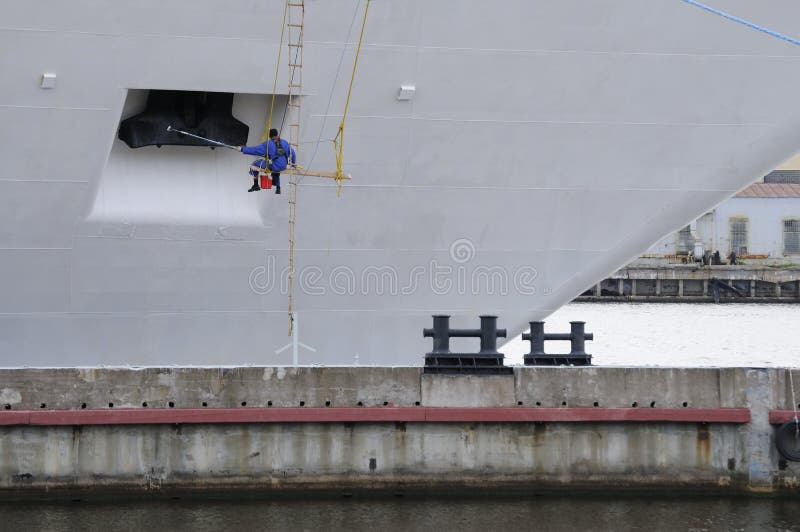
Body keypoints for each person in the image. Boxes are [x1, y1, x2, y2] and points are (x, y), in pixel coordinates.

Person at [238, 128, 296, 194]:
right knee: (276, 165)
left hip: (274, 166)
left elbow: (256, 150)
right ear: (277, 134)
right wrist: (293, 163)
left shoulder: (268, 143)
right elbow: (293, 153)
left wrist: (243, 149)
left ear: (270, 136)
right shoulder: (285, 142)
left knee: (254, 164)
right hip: (283, 166)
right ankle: (278, 187)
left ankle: (256, 185)